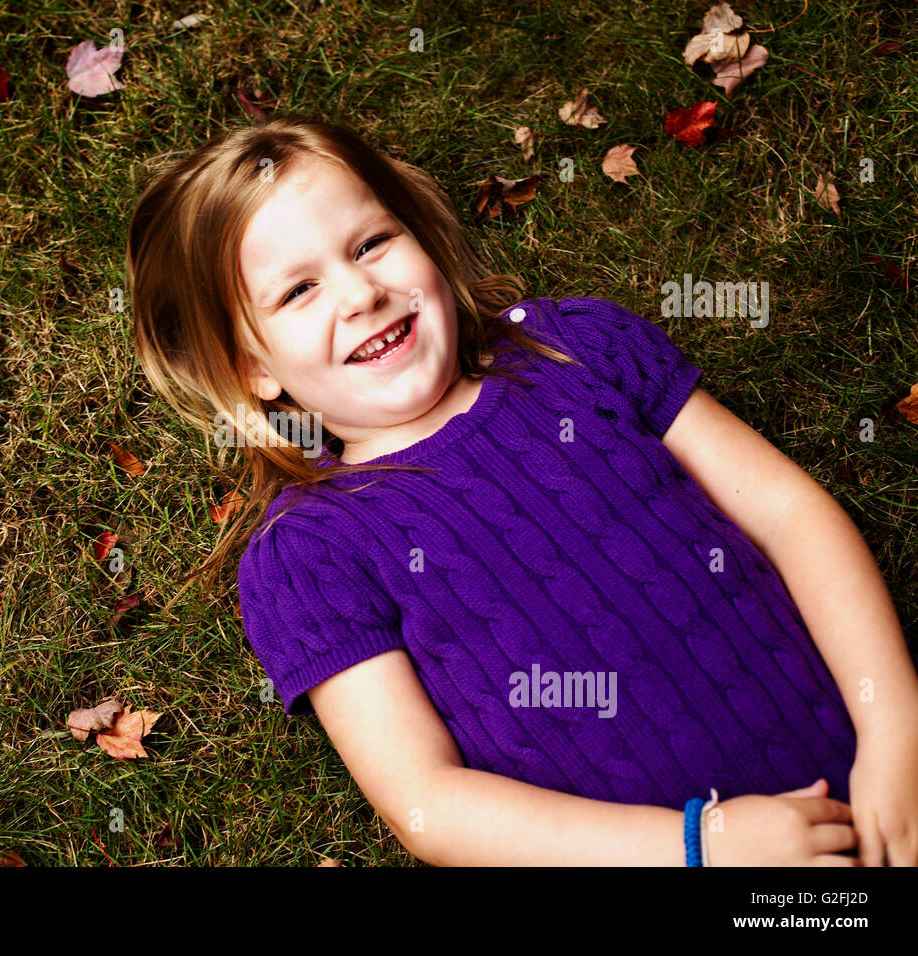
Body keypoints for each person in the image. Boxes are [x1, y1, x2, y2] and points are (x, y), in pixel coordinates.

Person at [126, 114, 918, 866]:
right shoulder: (310, 551)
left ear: (422, 236)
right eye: (297, 291)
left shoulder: (577, 347)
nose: (358, 293)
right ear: (252, 371)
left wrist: (895, 730)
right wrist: (699, 846)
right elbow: (425, 800)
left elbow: (791, 515)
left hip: (884, 793)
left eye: (372, 243)